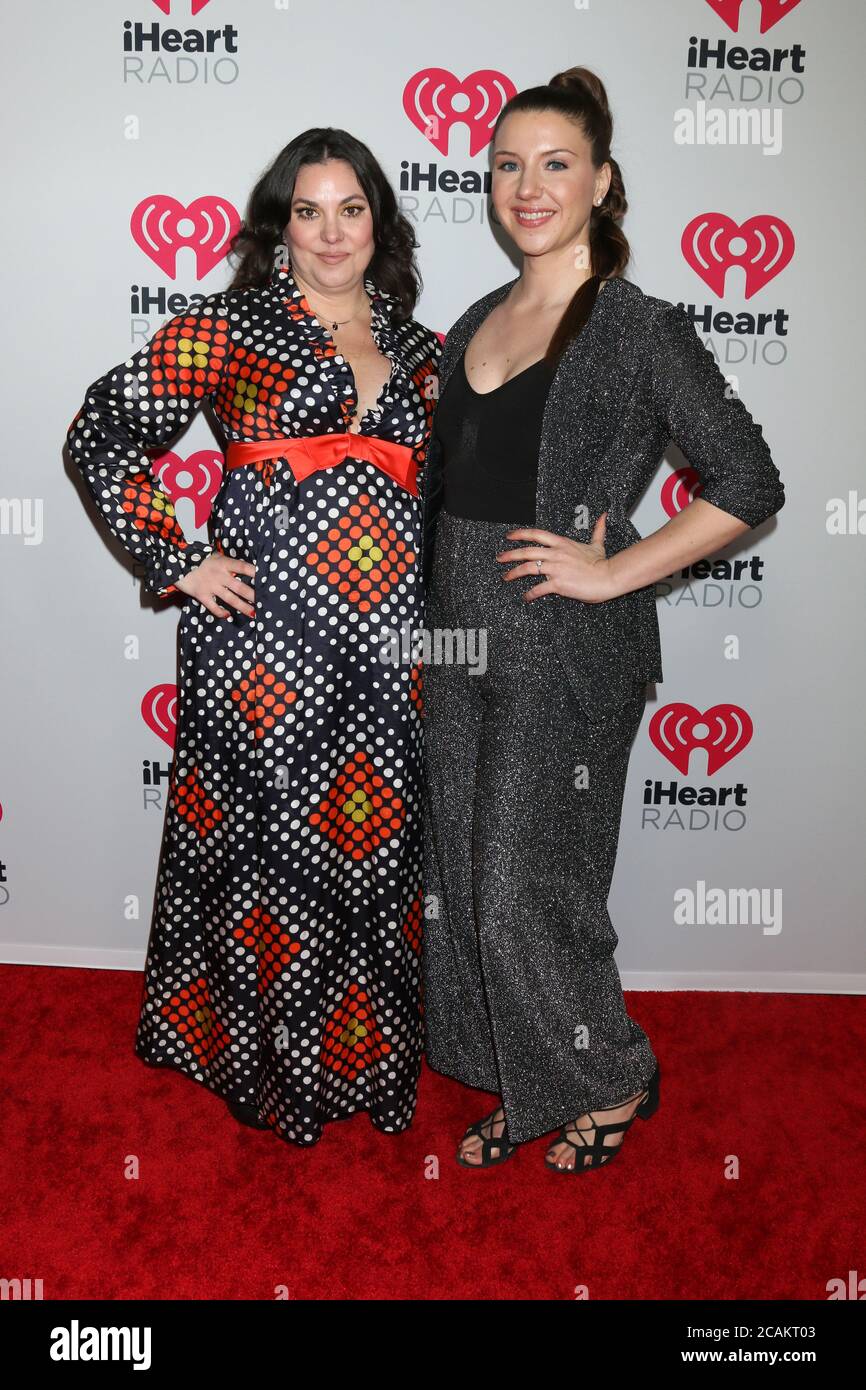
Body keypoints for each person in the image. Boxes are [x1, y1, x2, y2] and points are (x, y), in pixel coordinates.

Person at [419, 68, 785, 1171]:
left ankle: (608, 1073)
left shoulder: (635, 328)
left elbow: (747, 481)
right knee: (459, 882)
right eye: (505, 165)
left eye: (554, 163)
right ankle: (522, 1081)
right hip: (451, 633)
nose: (525, 186)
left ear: (602, 181)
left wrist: (611, 572)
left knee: (524, 890)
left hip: (561, 647)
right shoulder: (475, 319)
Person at [66, 128, 441, 1147]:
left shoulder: (421, 348)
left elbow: (457, 501)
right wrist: (174, 555)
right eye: (307, 211)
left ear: (378, 222)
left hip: (388, 659)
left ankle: (364, 1058)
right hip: (262, 654)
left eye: (350, 209)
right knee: (271, 859)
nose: (331, 231)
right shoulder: (228, 327)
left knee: (373, 860)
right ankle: (264, 1066)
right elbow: (99, 431)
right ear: (279, 229)